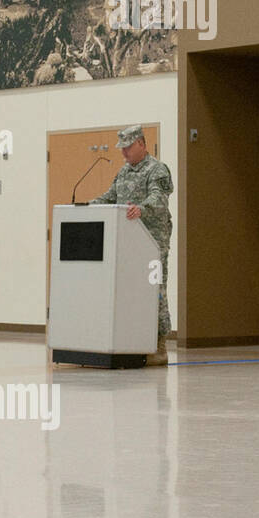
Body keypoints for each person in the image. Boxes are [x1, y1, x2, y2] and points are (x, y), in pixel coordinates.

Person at [91, 125, 174, 366]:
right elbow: (110, 197)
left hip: (152, 243)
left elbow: (158, 198)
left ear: (141, 143)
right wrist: (86, 206)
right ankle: (132, 341)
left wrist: (142, 208)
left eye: (127, 147)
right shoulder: (124, 172)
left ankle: (159, 346)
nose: (124, 153)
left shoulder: (157, 170)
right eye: (122, 149)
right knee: (130, 292)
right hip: (127, 244)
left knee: (155, 290)